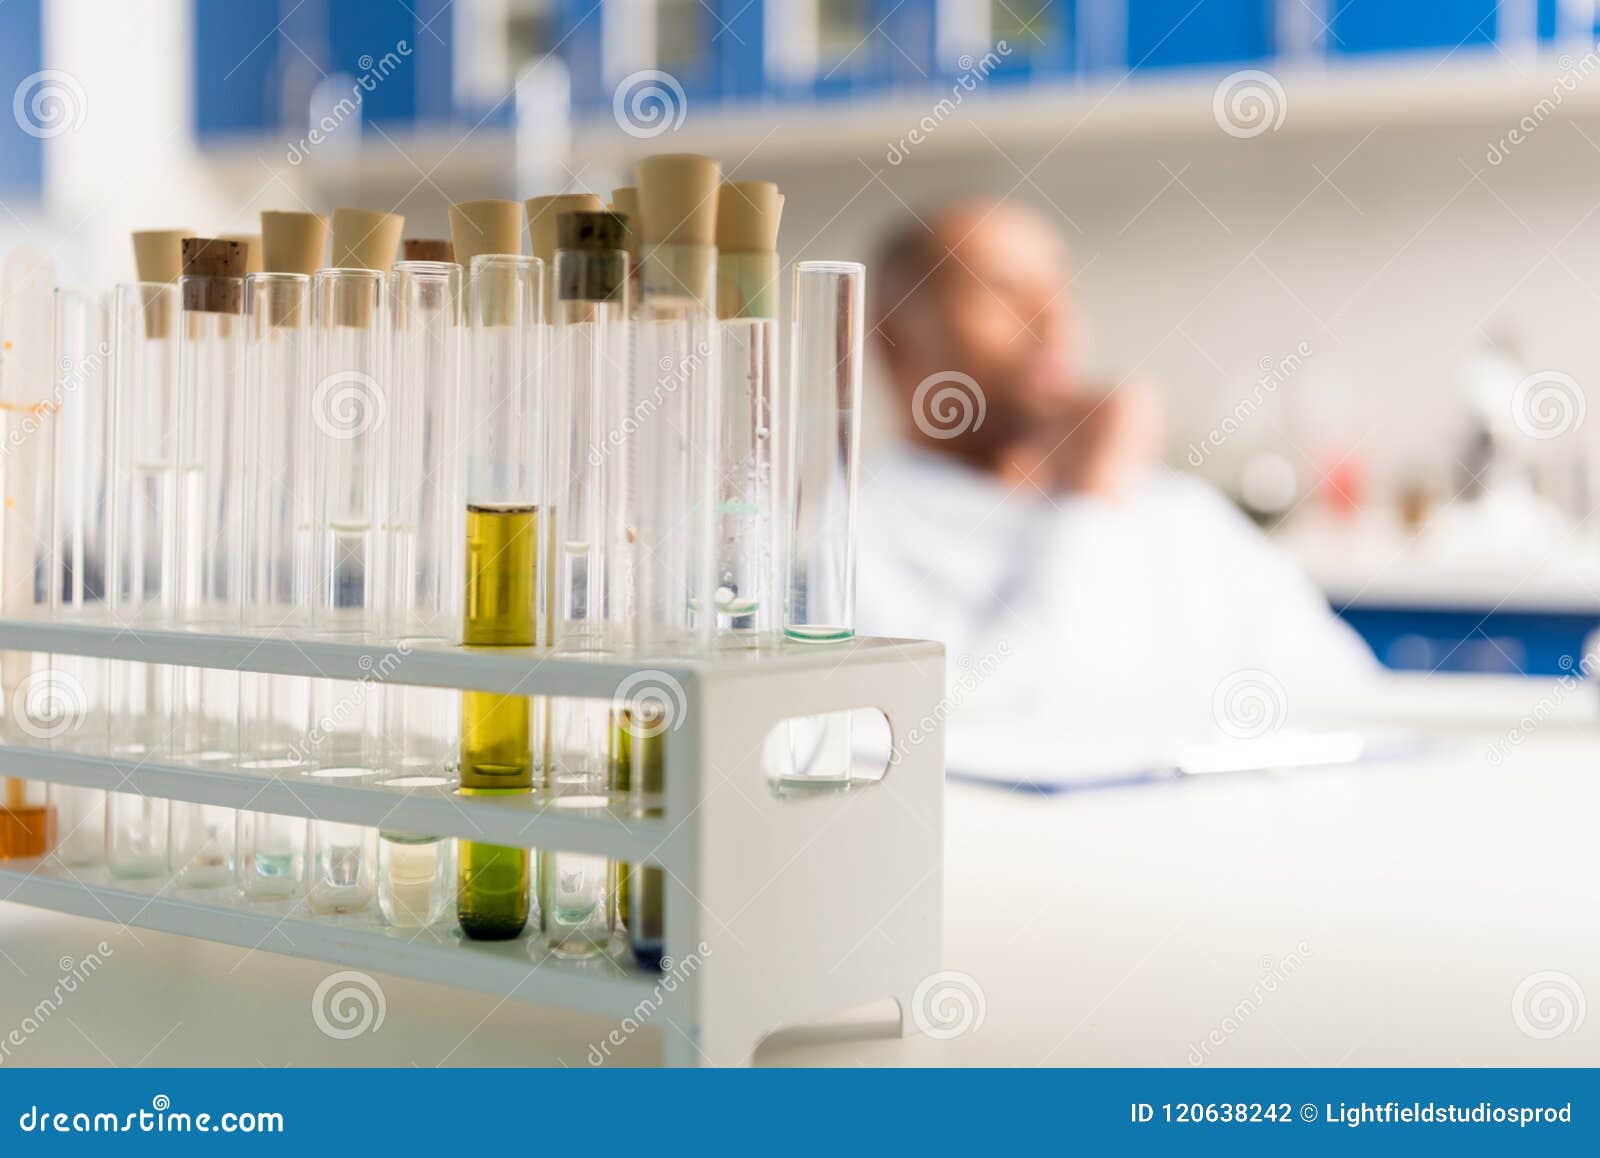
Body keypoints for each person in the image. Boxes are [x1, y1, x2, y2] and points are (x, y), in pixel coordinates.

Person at [860, 200, 1375, 747]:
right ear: (896, 342)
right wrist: (1092, 496)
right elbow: (1006, 733)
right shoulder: (851, 542)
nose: (1051, 320)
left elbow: (1349, 695)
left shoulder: (1176, 510)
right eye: (1003, 289)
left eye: (1063, 288)